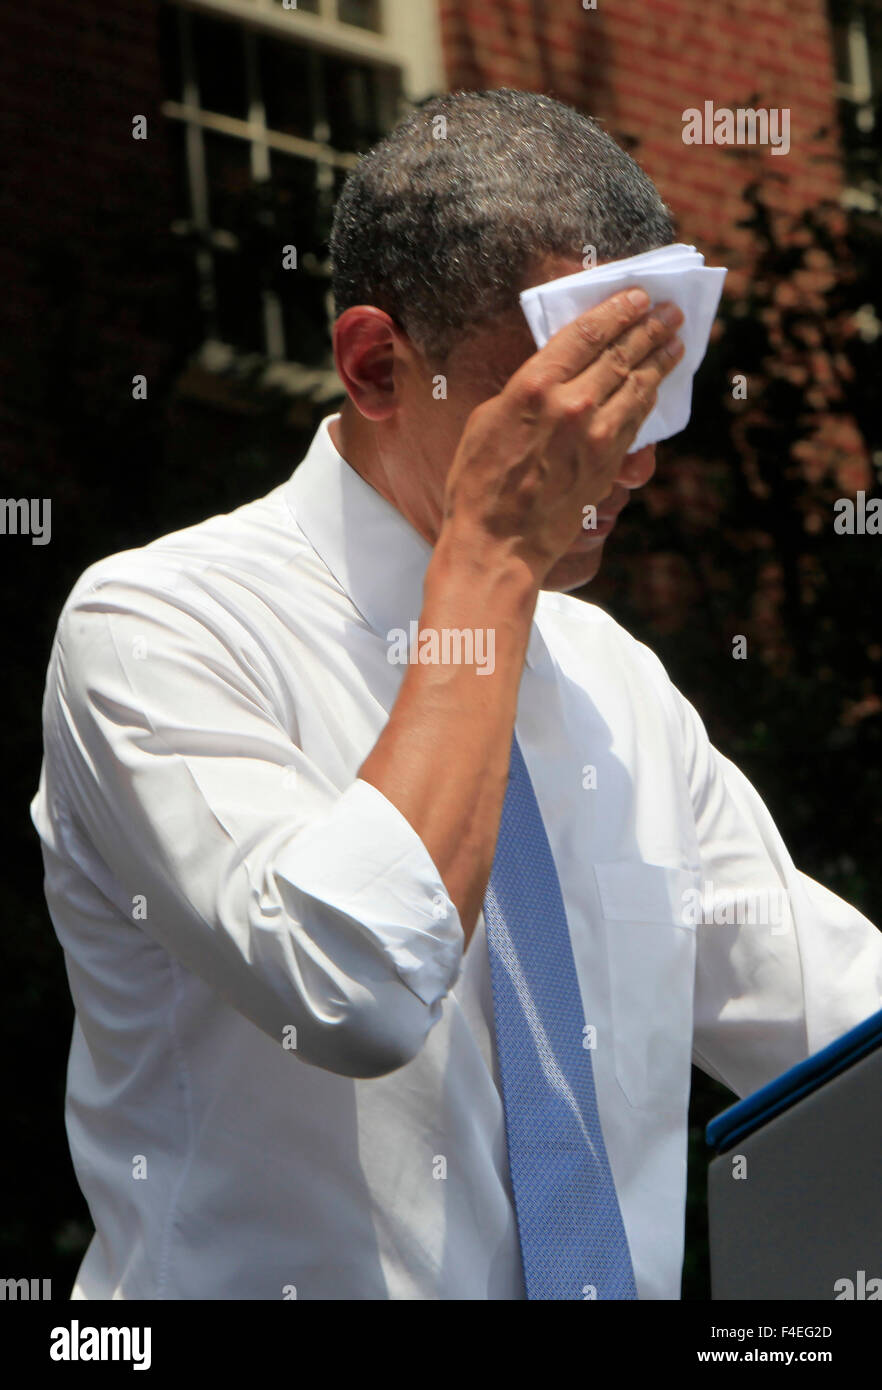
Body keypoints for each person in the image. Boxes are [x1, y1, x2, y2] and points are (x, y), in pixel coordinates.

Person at [31, 88, 882, 1301]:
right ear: (379, 365)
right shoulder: (158, 626)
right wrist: (485, 567)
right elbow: (352, 985)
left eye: (653, 393)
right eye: (574, 401)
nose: (631, 458)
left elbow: (845, 1033)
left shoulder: (615, 683)